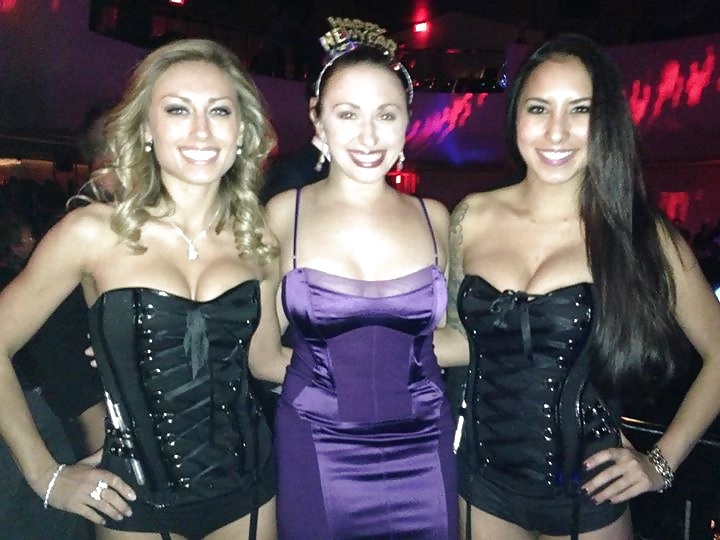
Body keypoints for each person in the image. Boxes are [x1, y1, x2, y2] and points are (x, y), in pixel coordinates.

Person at [436, 33, 720, 540]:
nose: (557, 131)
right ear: (516, 117)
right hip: (481, 485)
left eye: (580, 110)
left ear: (605, 120)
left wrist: (661, 462)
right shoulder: (471, 216)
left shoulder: (638, 233)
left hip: (588, 497)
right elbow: (457, 341)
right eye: (539, 108)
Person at [0, 38, 285, 540]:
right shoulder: (92, 231)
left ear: (242, 131)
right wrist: (46, 476)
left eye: (220, 110)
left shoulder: (256, 237)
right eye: (177, 109)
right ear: (147, 129)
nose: (201, 129)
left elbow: (266, 361)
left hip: (250, 492)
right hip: (133, 502)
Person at [265, 17, 459, 539]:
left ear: (407, 122)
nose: (369, 136)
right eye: (347, 114)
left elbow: (460, 337)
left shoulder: (436, 218)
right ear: (318, 119)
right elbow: (257, 352)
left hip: (425, 443)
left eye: (386, 115)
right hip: (316, 443)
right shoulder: (282, 216)